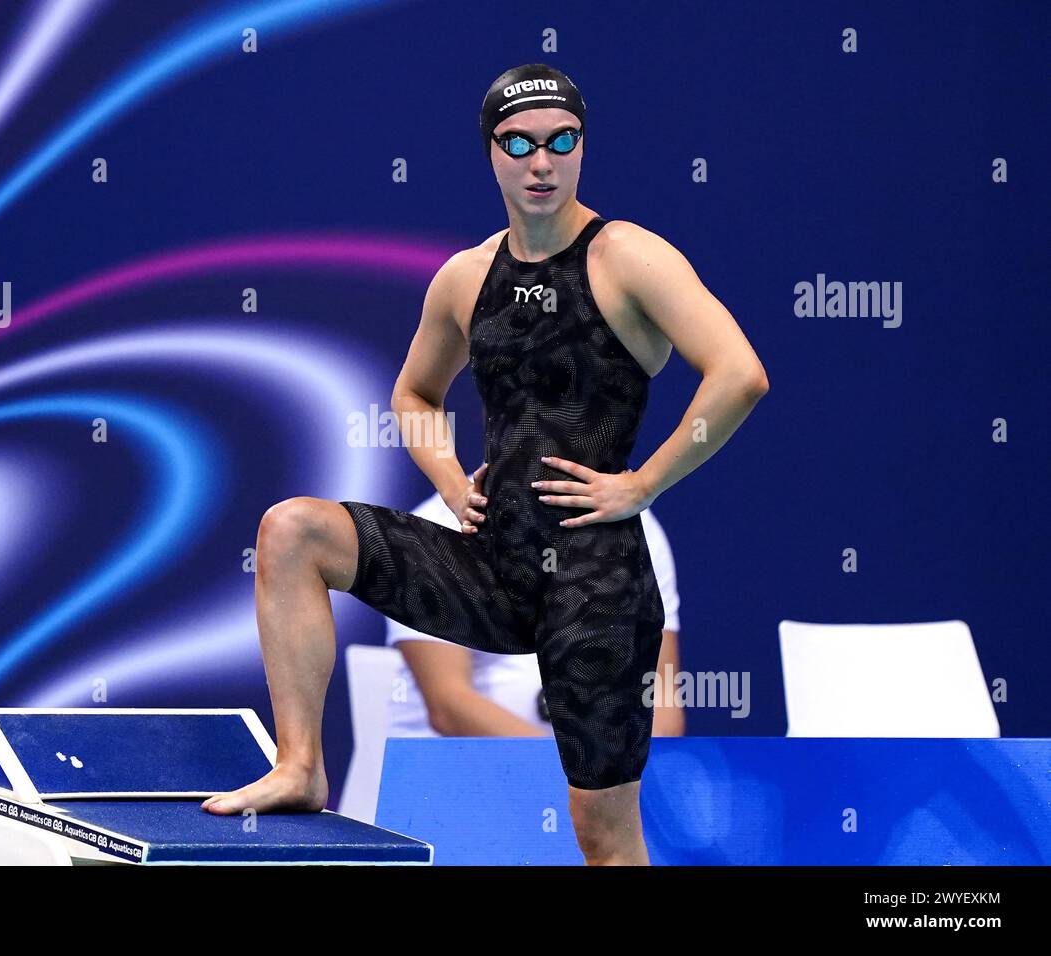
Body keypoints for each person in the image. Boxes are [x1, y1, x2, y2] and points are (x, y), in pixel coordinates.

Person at [203, 63, 768, 866]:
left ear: (582, 147)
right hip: (493, 565)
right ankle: (299, 766)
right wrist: (446, 476)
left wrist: (643, 484)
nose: (542, 163)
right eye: (521, 144)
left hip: (594, 580)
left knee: (602, 836)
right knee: (293, 531)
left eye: (561, 141)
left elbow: (740, 374)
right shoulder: (466, 277)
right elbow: (414, 393)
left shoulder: (629, 257)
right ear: (491, 153)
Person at [386, 481, 684, 742]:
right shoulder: (434, 525)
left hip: (595, 781)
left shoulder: (634, 524)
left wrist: (634, 783)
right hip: (457, 770)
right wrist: (581, 781)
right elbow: (449, 706)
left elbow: (661, 698)